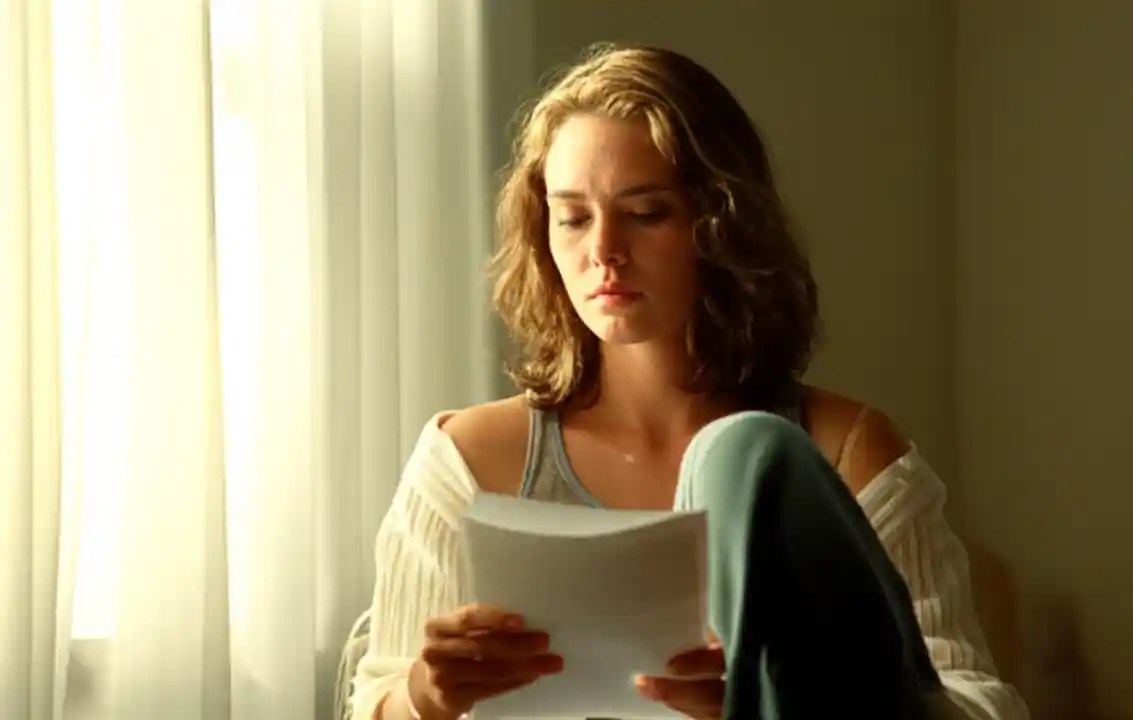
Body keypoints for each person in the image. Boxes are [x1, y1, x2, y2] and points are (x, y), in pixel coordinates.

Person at [350, 43, 1028, 720]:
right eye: (574, 217)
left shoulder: (844, 452)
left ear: (720, 224)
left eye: (646, 214)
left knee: (745, 453)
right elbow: (368, 707)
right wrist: (422, 695)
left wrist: (785, 695)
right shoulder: (470, 459)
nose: (603, 251)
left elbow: (978, 704)